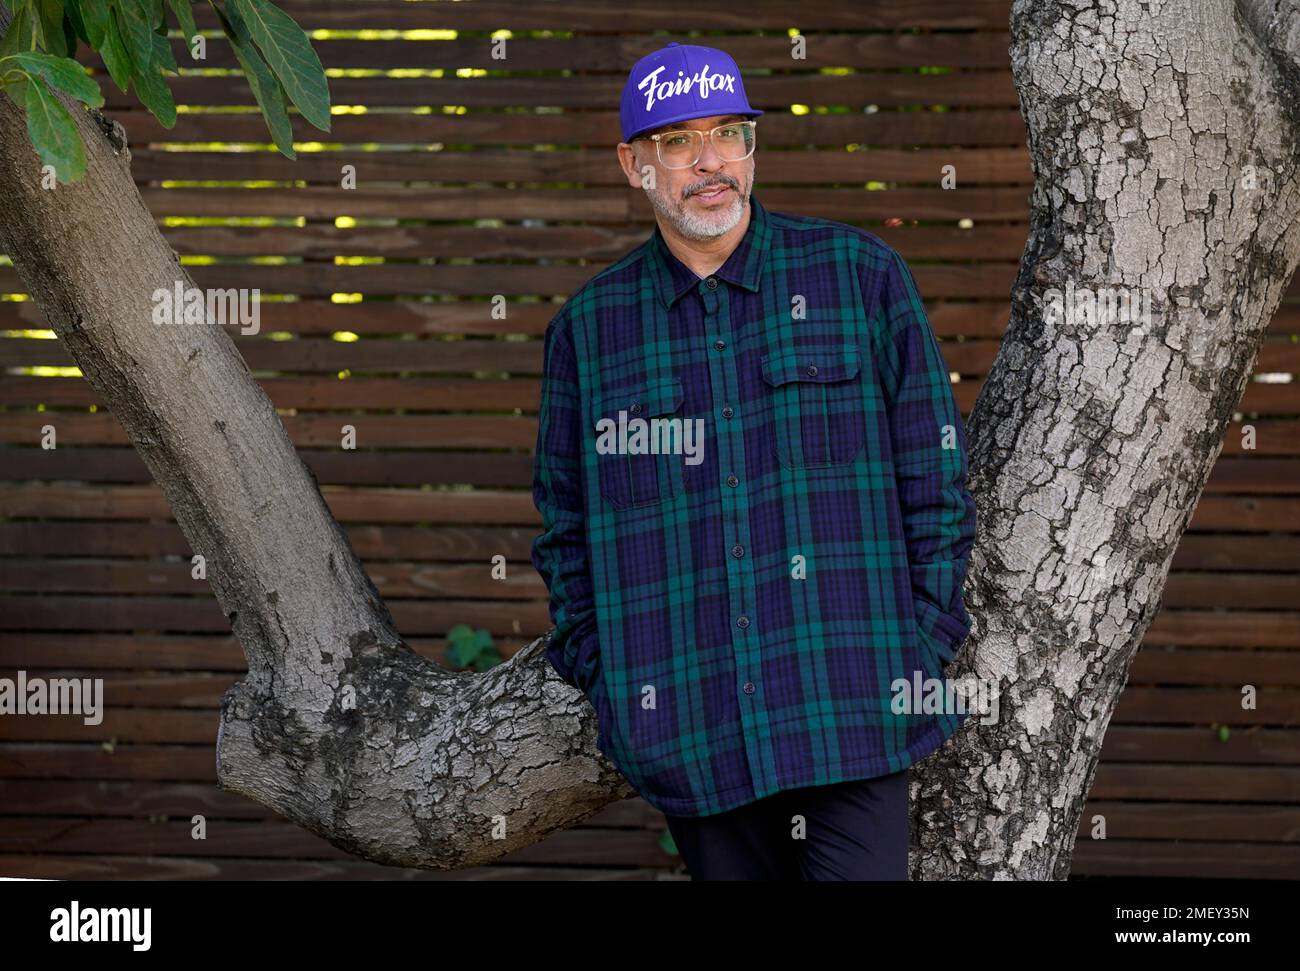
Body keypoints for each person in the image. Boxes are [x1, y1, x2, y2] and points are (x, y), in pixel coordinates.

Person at [530, 41, 977, 880]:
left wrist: (922, 642)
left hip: (852, 707)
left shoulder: (859, 278)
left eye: (729, 133)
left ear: (752, 148)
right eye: (678, 141)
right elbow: (565, 529)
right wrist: (615, 682)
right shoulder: (590, 335)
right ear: (635, 164)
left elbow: (936, 479)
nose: (710, 161)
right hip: (693, 734)